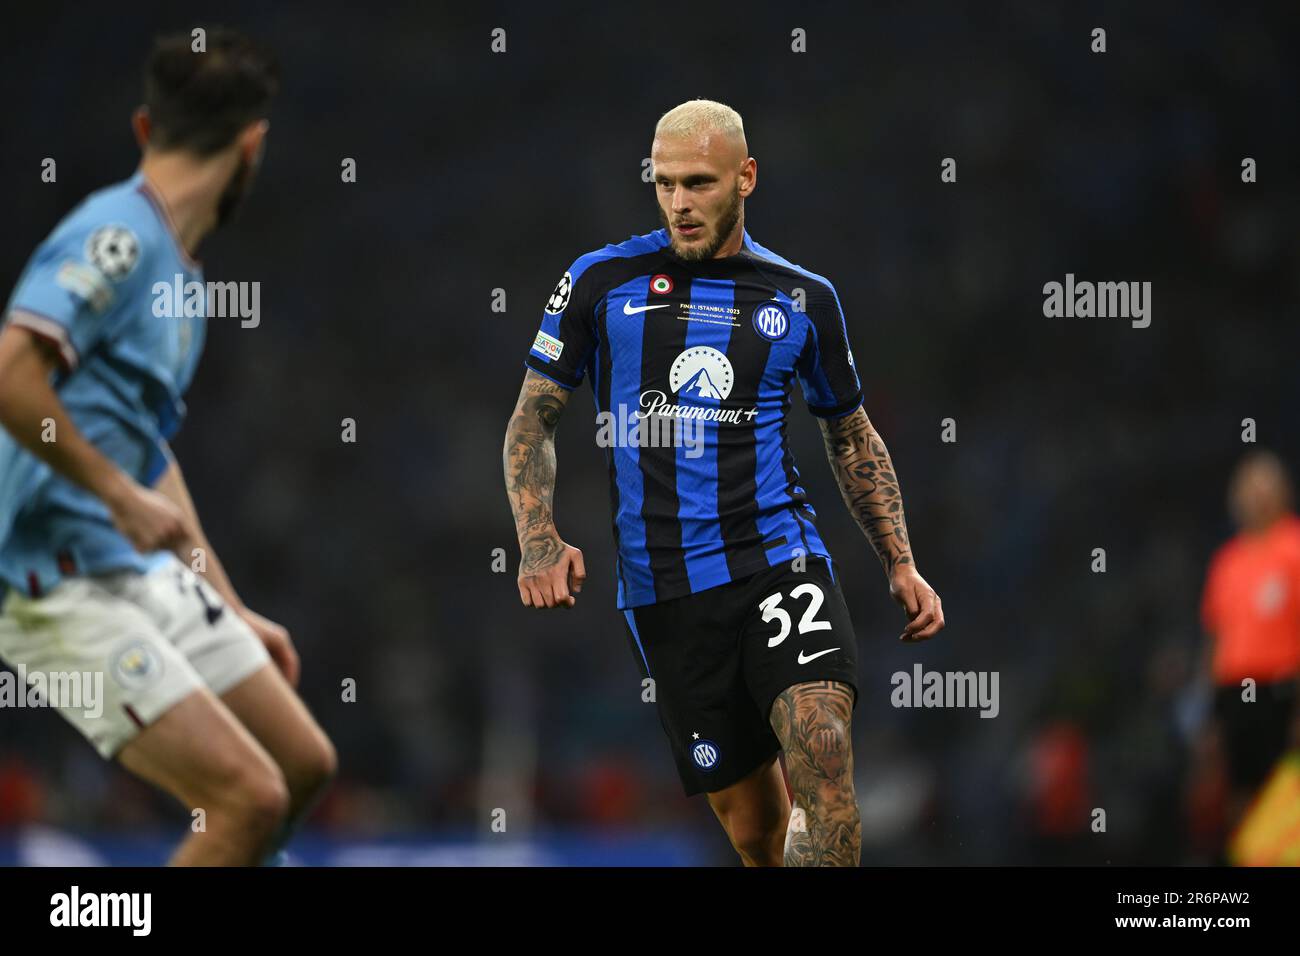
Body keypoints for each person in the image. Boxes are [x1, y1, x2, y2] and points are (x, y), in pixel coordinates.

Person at [503, 99, 944, 866]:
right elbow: (531, 421)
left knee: (824, 750)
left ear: (746, 178)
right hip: (666, 592)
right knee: (755, 829)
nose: (679, 203)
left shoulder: (803, 297)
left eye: (699, 183)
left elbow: (851, 434)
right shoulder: (599, 281)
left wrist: (899, 560)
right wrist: (538, 539)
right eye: (665, 184)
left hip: (779, 561)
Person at [0, 28, 335, 865]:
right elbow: (9, 372)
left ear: (147, 127)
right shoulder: (113, 234)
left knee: (301, 765)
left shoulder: (182, 277)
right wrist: (116, 495)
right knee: (245, 800)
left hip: (135, 569)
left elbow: (152, 460)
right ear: (252, 145)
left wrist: (227, 603)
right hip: (46, 580)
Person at [1200, 450, 1300, 844]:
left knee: (1287, 799)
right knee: (1241, 803)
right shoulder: (1227, 561)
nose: (1256, 496)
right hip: (1234, 698)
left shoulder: (1295, 547)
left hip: (1283, 692)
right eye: (1248, 488)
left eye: (1265, 486)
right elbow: (1214, 639)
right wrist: (1208, 716)